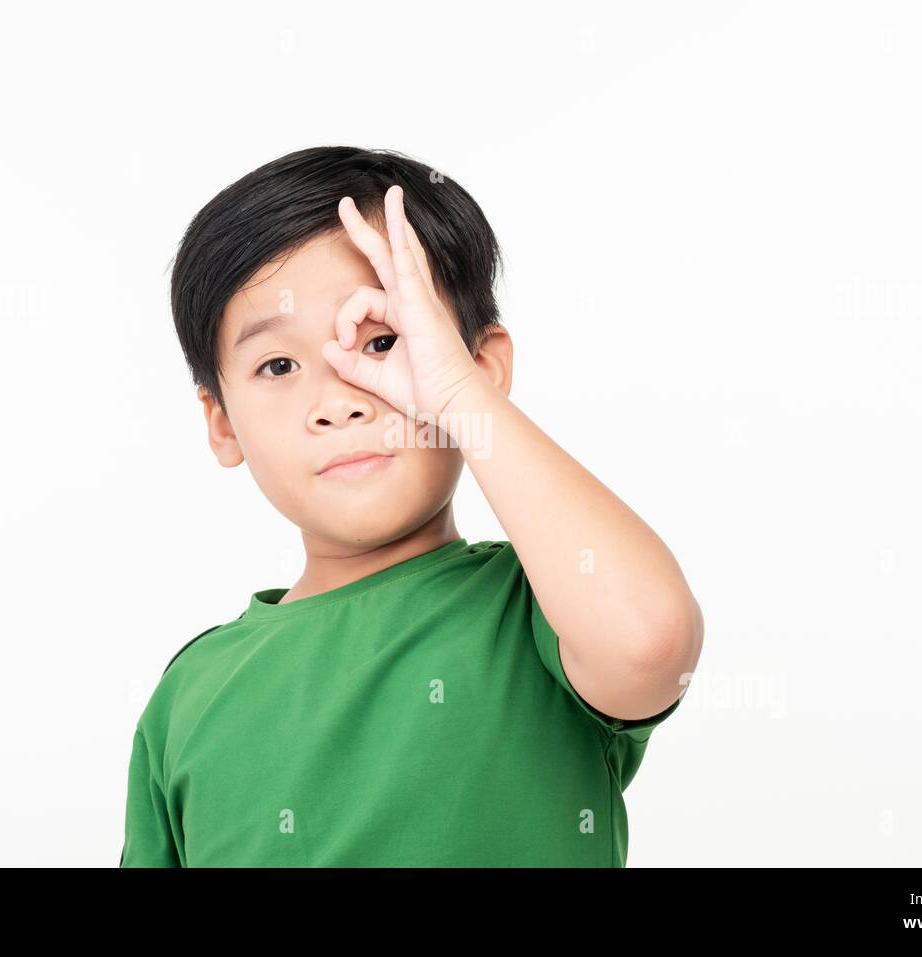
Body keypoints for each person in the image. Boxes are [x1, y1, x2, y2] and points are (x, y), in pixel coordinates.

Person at [119, 146, 703, 867]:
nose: (337, 402)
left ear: (480, 367)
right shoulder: (190, 695)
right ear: (222, 423)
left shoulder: (543, 611)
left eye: (383, 341)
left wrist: (457, 396)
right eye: (279, 365)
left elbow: (649, 640)